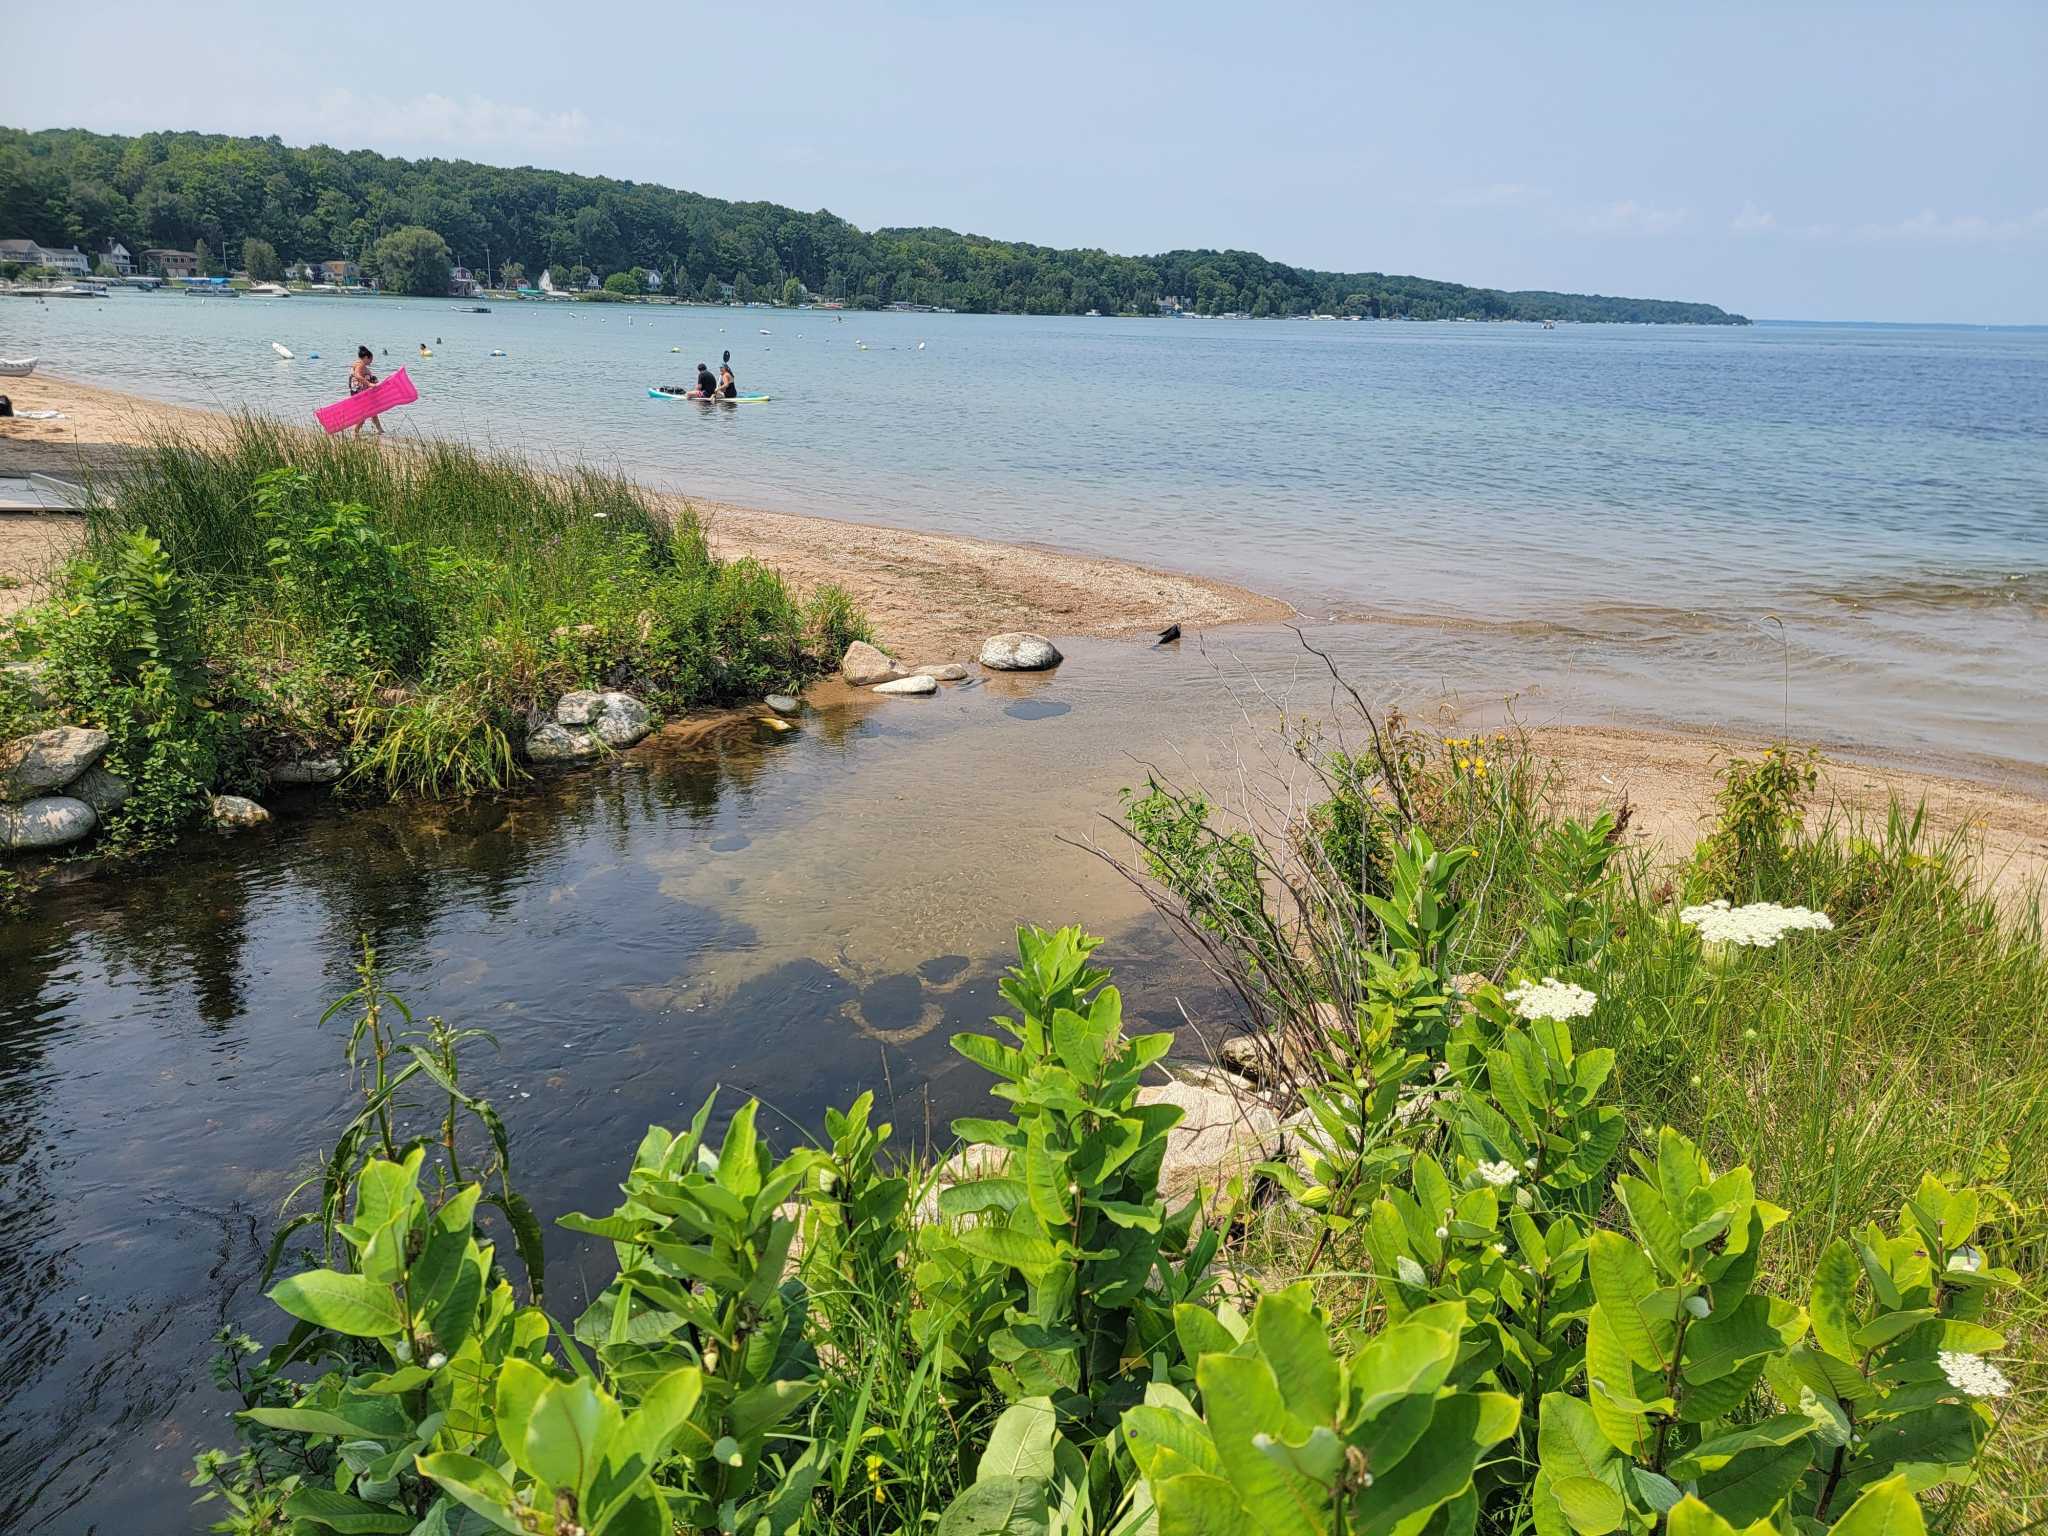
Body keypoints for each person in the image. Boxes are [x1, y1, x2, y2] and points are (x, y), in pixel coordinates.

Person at [349, 346, 383, 436]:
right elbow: (357, 375)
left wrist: (373, 381)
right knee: (365, 413)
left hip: (360, 392)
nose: (371, 362)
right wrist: (369, 384)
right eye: (371, 359)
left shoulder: (358, 363)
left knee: (373, 411)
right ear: (366, 357)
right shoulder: (360, 364)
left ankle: (380, 430)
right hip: (360, 393)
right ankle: (355, 432)